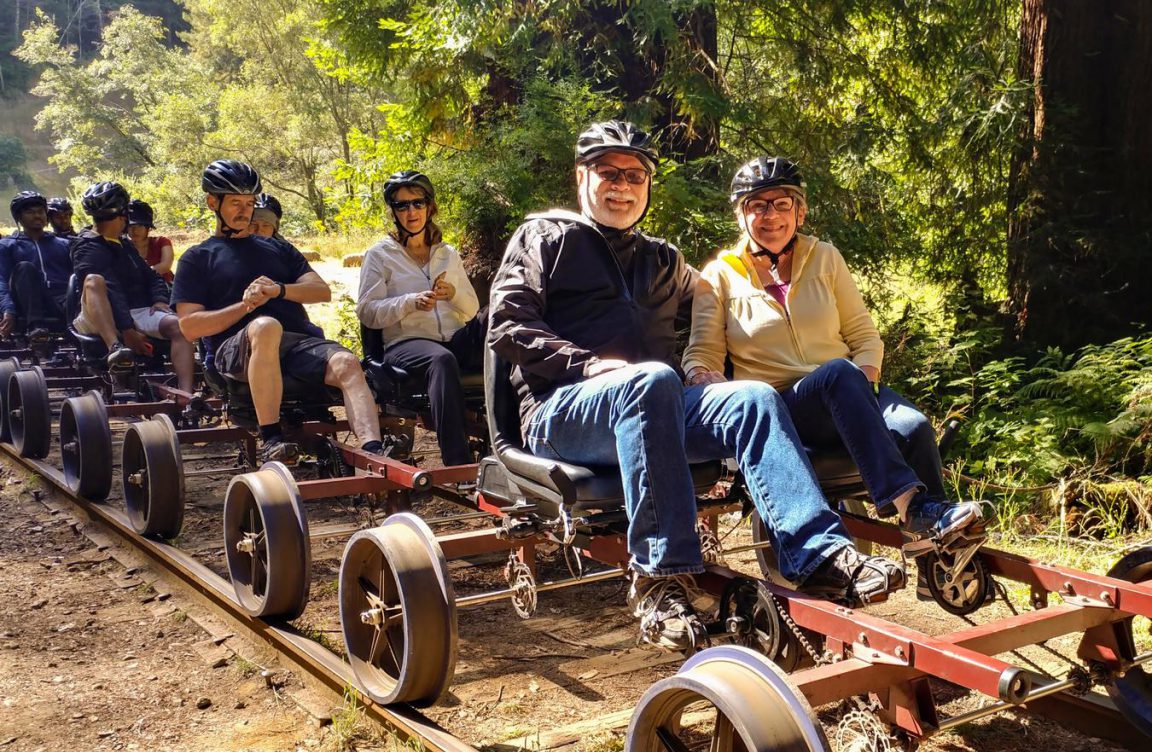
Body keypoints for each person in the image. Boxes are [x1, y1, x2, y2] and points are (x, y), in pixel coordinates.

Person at [489, 120, 905, 651]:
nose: (622, 185)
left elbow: (725, 302)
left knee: (752, 398)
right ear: (581, 176)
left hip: (654, 403)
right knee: (652, 380)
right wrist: (588, 365)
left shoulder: (663, 260)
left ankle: (816, 553)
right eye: (608, 172)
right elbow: (506, 323)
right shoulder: (546, 237)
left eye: (635, 175)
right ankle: (660, 577)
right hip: (561, 410)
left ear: (648, 186)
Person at [687, 157, 986, 553]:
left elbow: (862, 333)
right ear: (740, 215)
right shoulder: (719, 274)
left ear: (800, 210)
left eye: (781, 203)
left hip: (849, 389)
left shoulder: (826, 257)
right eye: (756, 204)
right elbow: (702, 351)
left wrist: (868, 377)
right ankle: (913, 507)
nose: (770, 215)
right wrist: (700, 374)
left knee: (913, 427)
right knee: (837, 374)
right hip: (787, 407)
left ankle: (937, 559)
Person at [174, 159, 389, 464]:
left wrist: (279, 289)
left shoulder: (278, 249)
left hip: (296, 344)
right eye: (235, 202)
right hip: (235, 351)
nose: (244, 210)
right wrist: (246, 306)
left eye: (248, 203)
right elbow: (190, 327)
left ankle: (373, 454)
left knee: (346, 361)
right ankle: (271, 437)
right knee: (265, 326)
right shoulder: (197, 258)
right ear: (212, 202)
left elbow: (321, 291)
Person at [357, 171, 485, 466]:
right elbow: (367, 310)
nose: (411, 211)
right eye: (402, 205)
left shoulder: (447, 253)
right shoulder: (379, 255)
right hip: (406, 345)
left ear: (430, 207)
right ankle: (458, 463)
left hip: (453, 339)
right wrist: (409, 302)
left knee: (498, 316)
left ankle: (516, 441)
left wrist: (452, 292)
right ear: (393, 211)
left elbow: (470, 309)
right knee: (441, 360)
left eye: (417, 203)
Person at [71, 181, 196, 390]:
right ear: (122, 215)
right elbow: (110, 289)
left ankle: (186, 395)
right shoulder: (86, 246)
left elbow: (152, 275)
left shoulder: (124, 244)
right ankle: (115, 349)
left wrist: (159, 299)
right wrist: (127, 329)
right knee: (95, 280)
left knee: (180, 328)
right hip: (101, 315)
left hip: (135, 310)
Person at [0, 191, 72, 337]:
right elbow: (1, 280)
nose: (37, 216)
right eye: (30, 212)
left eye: (40, 212)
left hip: (61, 301)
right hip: (26, 304)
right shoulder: (7, 246)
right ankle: (36, 327)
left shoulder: (65, 244)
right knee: (25, 267)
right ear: (19, 217)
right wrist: (8, 309)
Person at [126, 200, 174, 284]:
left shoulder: (161, 242)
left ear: (148, 227)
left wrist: (139, 275)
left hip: (165, 289)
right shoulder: (122, 247)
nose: (135, 230)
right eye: (131, 226)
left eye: (140, 225)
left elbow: (166, 265)